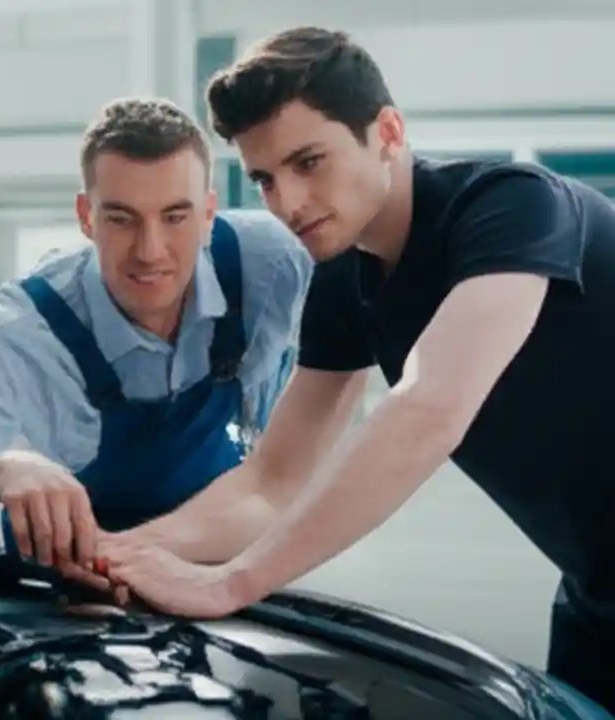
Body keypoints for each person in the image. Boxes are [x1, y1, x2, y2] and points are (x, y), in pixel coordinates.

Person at [95, 27, 615, 710]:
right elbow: (272, 482)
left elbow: (432, 406)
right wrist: (116, 554)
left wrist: (232, 581)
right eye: (265, 178)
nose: (288, 202)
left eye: (309, 162)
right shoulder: (344, 282)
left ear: (388, 132)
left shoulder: (510, 208)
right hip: (595, 594)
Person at [0, 98, 312, 581]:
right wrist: (2, 470)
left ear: (209, 213)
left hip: (227, 589)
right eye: (121, 219)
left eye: (174, 217)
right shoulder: (25, 329)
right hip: (79, 610)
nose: (150, 252)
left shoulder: (273, 263)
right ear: (86, 216)